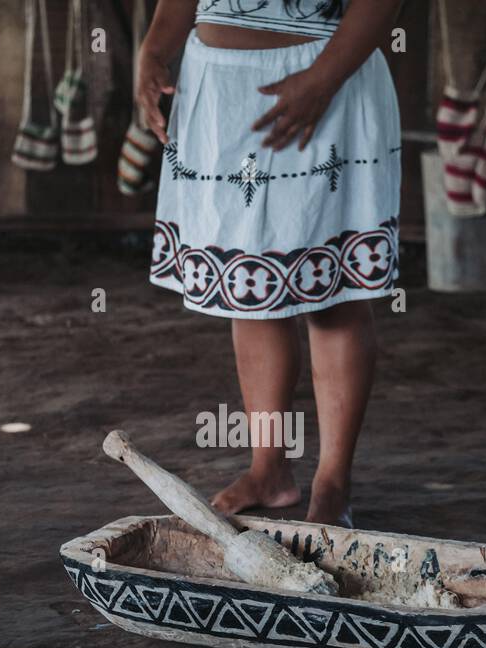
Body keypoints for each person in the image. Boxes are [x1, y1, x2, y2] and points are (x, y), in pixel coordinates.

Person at [136, 0, 403, 528]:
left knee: (335, 292)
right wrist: (154, 50)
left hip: (325, 83)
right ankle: (269, 469)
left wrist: (322, 81)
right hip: (220, 91)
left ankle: (332, 483)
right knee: (251, 288)